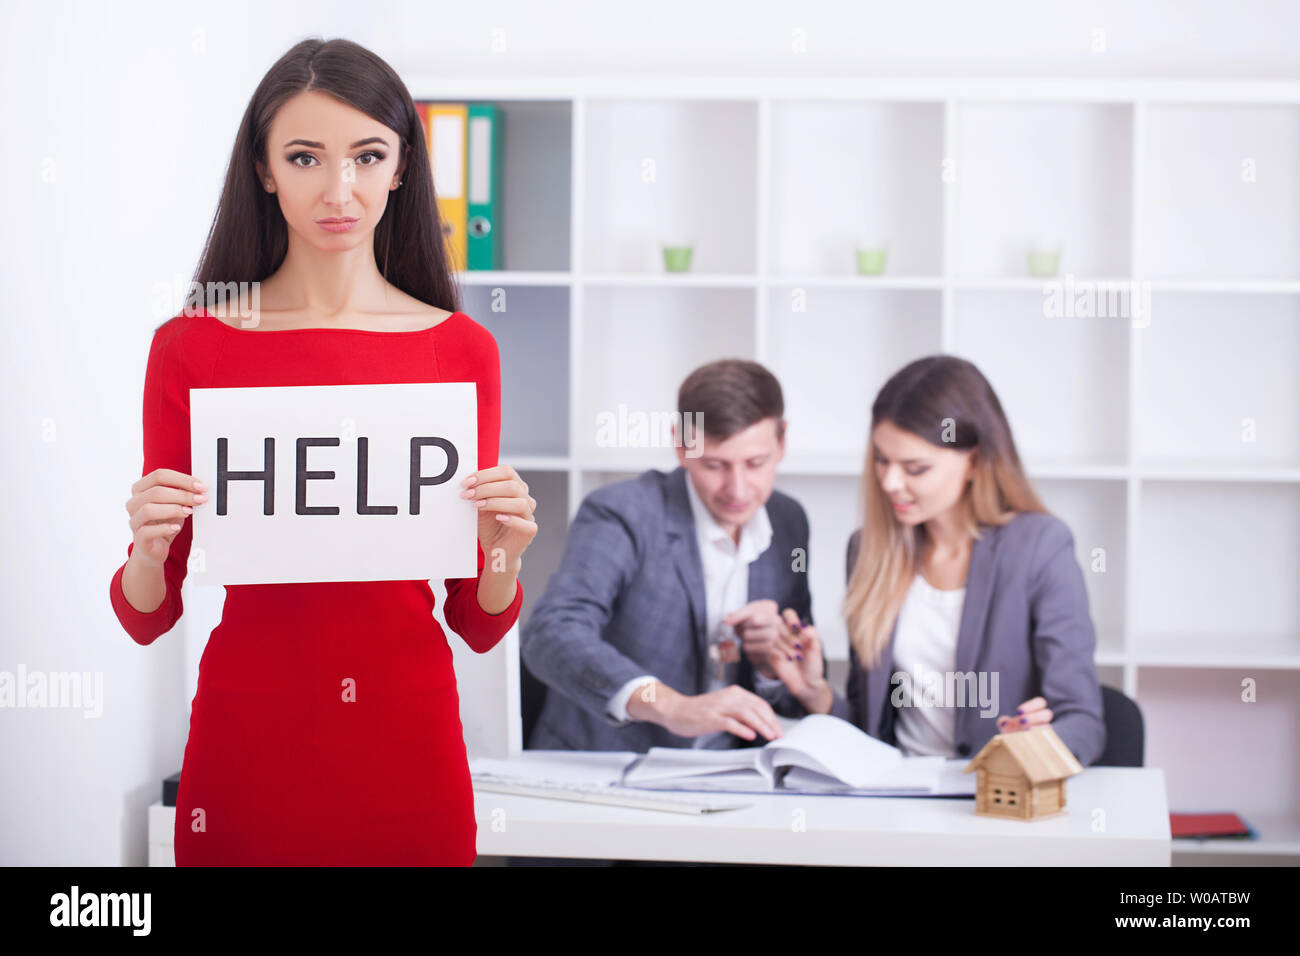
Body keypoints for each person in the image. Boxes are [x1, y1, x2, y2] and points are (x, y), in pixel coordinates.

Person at [108, 37, 537, 865]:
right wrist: (150, 548)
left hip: (409, 751)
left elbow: (476, 623)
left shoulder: (460, 351)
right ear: (265, 169)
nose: (338, 190)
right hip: (249, 746)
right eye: (305, 157)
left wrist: (503, 560)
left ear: (402, 166)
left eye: (366, 156)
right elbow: (146, 611)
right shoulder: (192, 350)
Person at [771, 355, 1107, 766]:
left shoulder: (1040, 548)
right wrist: (814, 693)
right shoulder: (870, 553)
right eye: (882, 460)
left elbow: (1083, 723)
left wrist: (1039, 745)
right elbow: (868, 731)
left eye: (916, 468)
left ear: (975, 461)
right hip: (896, 799)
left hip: (993, 803)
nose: (890, 482)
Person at [522, 359, 821, 755]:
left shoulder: (788, 522)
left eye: (755, 464)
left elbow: (792, 676)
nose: (738, 489)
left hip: (730, 772)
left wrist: (770, 667)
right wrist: (670, 706)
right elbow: (551, 633)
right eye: (714, 465)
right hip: (605, 763)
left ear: (782, 442)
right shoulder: (622, 512)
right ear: (681, 446)